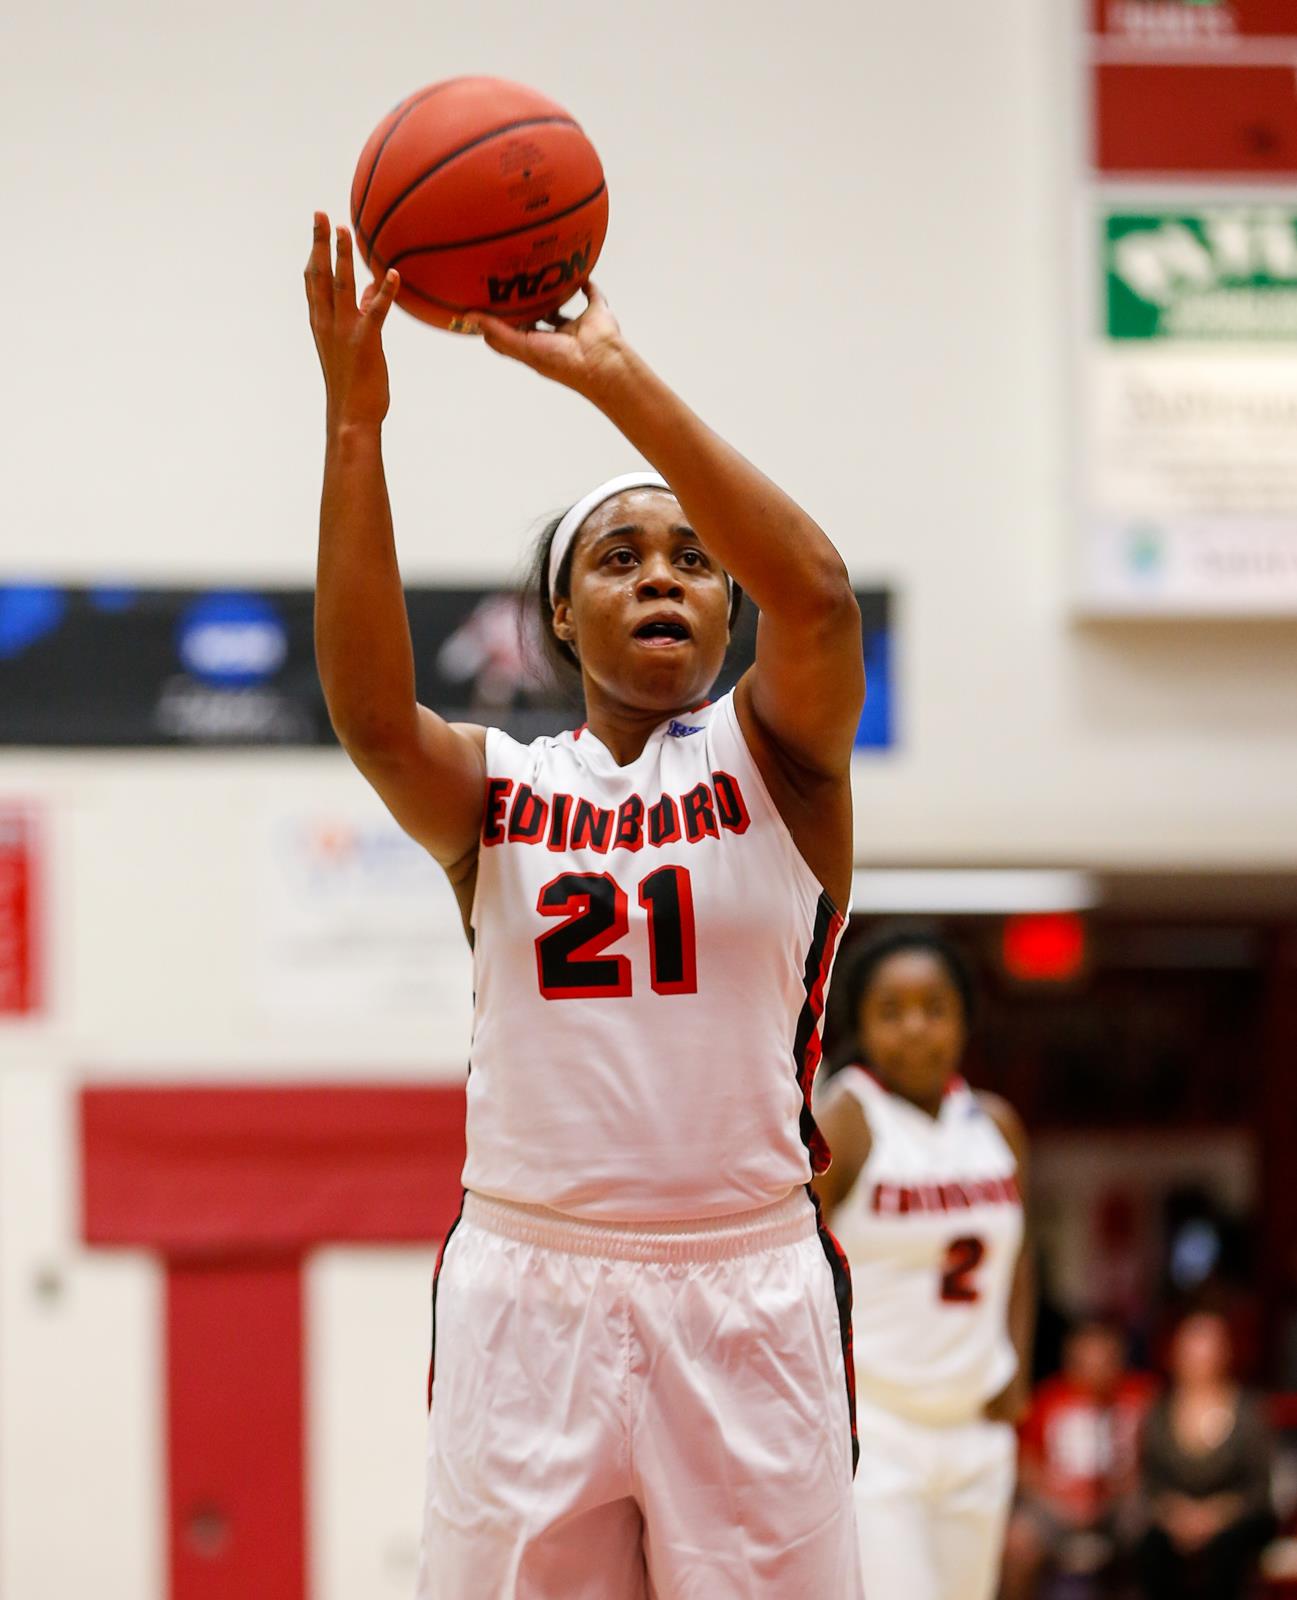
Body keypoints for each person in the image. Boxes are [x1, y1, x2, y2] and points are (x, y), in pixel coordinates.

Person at [304, 215, 866, 1599]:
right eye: (619, 559)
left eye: (692, 557)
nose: (663, 574)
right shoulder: (492, 790)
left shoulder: (780, 759)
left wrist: (611, 377)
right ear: (560, 619)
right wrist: (356, 426)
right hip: (529, 1281)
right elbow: (374, 719)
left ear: (728, 611)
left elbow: (824, 596)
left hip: (745, 1286)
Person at [811, 925, 1034, 1600]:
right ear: (861, 1022)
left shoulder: (995, 1125)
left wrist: (1017, 1363)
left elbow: (1017, 1259)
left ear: (963, 1019)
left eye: (933, 1009)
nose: (914, 1029)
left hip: (975, 1427)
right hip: (879, 1428)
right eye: (891, 1011)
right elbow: (789, 1262)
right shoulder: (847, 1119)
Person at [1000, 1318, 1156, 1600]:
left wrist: (1129, 1487)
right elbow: (1023, 1462)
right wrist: (1054, 1498)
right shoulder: (1047, 1399)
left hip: (1122, 1504)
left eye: (1104, 1359)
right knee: (1018, 1541)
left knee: (1153, 1536)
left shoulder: (1142, 1395)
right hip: (1056, 1507)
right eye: (1087, 1359)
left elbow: (1163, 1452)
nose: (1096, 1370)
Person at [1135, 1310, 1276, 1600]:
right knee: (1151, 1547)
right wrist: (1175, 1515)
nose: (1200, 1357)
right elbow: (1148, 1481)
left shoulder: (1249, 1411)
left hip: (1234, 1522)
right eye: (1192, 1347)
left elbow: (1259, 1489)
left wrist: (1214, 1516)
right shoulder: (1158, 1412)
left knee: (1227, 1553)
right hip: (1172, 1521)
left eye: (1209, 1346)